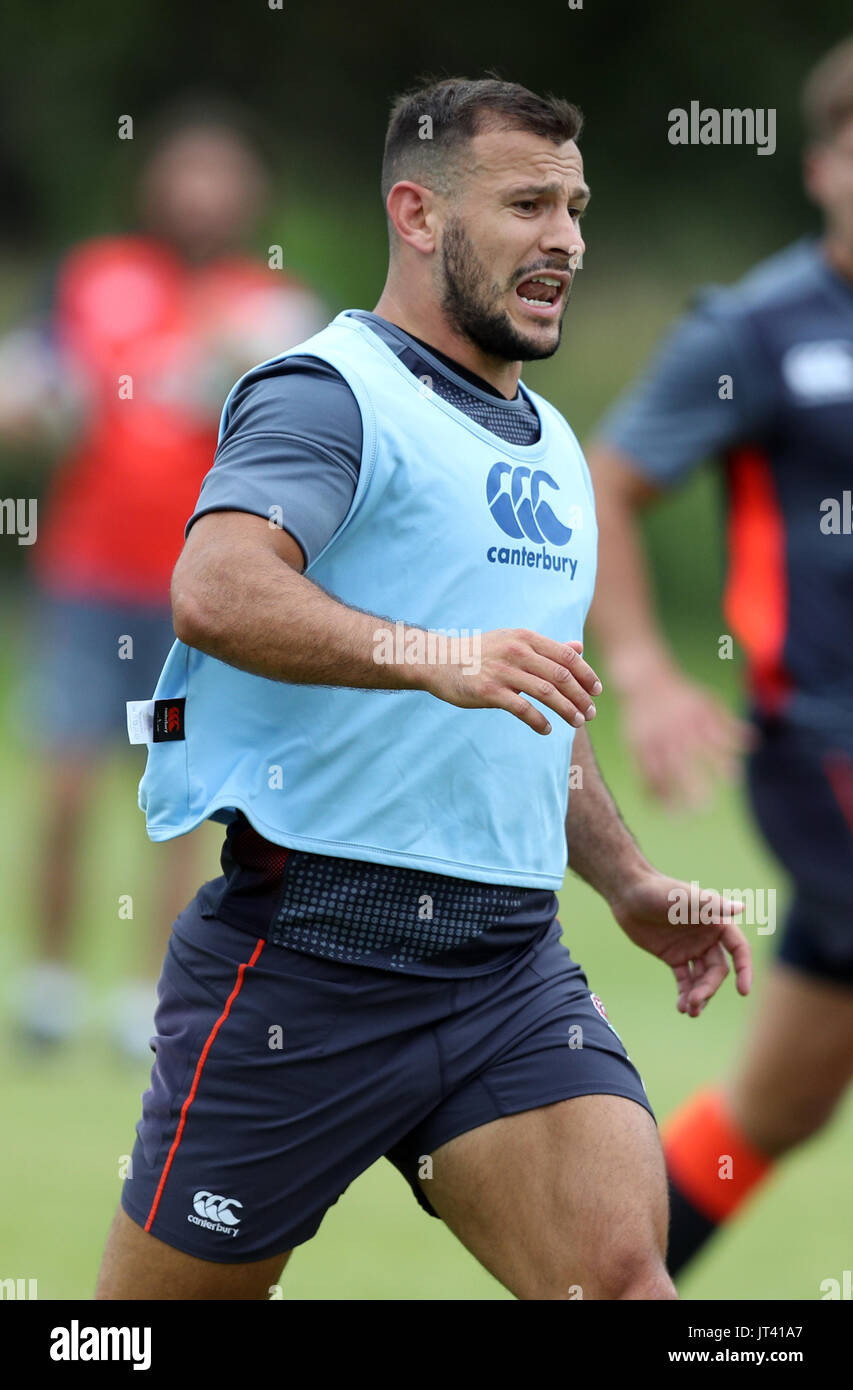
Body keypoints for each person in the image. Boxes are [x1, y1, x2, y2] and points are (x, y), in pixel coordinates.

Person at [96, 77, 750, 1301]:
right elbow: (218, 587)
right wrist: (432, 654)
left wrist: (624, 878)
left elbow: (536, 711)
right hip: (306, 961)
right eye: (526, 203)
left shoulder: (553, 445)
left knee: (623, 1285)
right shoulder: (326, 393)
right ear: (416, 212)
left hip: (506, 970)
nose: (566, 237)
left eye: (577, 206)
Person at [586, 38, 853, 1277]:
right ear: (821, 163)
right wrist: (640, 666)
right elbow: (606, 477)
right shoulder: (757, 327)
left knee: (779, 1107)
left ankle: (612, 1277)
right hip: (821, 745)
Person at [0, 103, 326, 1057]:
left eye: (222, 177)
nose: (202, 194)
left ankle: (150, 992)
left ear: (247, 196)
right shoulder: (91, 277)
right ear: (156, 187)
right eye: (187, 174)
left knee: (179, 793)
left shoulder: (275, 303)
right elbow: (28, 393)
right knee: (64, 784)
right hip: (84, 575)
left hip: (202, 590)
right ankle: (50, 982)